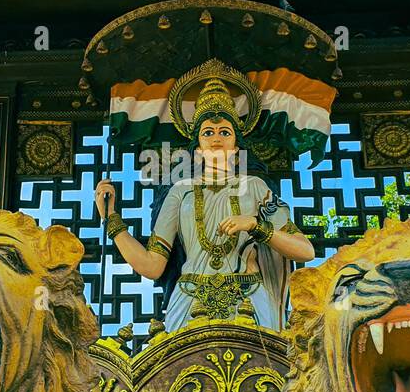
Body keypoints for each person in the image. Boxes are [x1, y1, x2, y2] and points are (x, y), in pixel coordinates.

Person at [94, 75, 315, 333]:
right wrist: (112, 219)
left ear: (236, 148)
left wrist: (255, 225)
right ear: (197, 150)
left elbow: (304, 251)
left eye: (225, 132)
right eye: (207, 132)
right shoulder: (179, 192)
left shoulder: (255, 187)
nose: (216, 138)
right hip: (189, 301)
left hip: (249, 300)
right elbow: (152, 266)